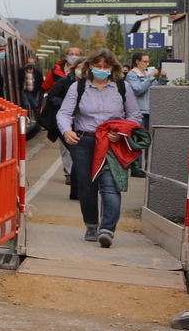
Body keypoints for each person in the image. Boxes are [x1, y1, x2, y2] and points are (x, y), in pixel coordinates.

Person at [56, 50, 142, 247]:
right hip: (84, 142)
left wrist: (121, 131)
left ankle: (107, 229)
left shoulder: (123, 87)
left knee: (110, 185)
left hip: (112, 143)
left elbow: (135, 115)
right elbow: (64, 113)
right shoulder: (78, 87)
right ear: (90, 66)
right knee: (87, 186)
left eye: (106, 67)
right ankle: (92, 225)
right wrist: (67, 131)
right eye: (98, 66)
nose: (102, 70)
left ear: (113, 68)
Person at [42, 46, 84, 186]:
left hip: (81, 120)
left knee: (78, 148)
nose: (73, 56)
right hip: (62, 117)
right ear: (66, 56)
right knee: (66, 147)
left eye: (76, 54)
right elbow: (49, 92)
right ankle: (69, 173)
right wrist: (66, 104)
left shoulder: (90, 82)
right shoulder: (60, 76)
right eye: (71, 54)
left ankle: (77, 173)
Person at [126, 53, 159, 177]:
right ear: (137, 61)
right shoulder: (132, 75)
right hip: (139, 111)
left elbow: (155, 88)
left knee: (147, 140)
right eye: (145, 61)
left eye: (148, 61)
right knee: (138, 140)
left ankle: (145, 167)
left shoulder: (146, 74)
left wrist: (162, 79)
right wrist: (150, 78)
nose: (147, 64)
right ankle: (136, 167)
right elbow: (138, 90)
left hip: (149, 110)